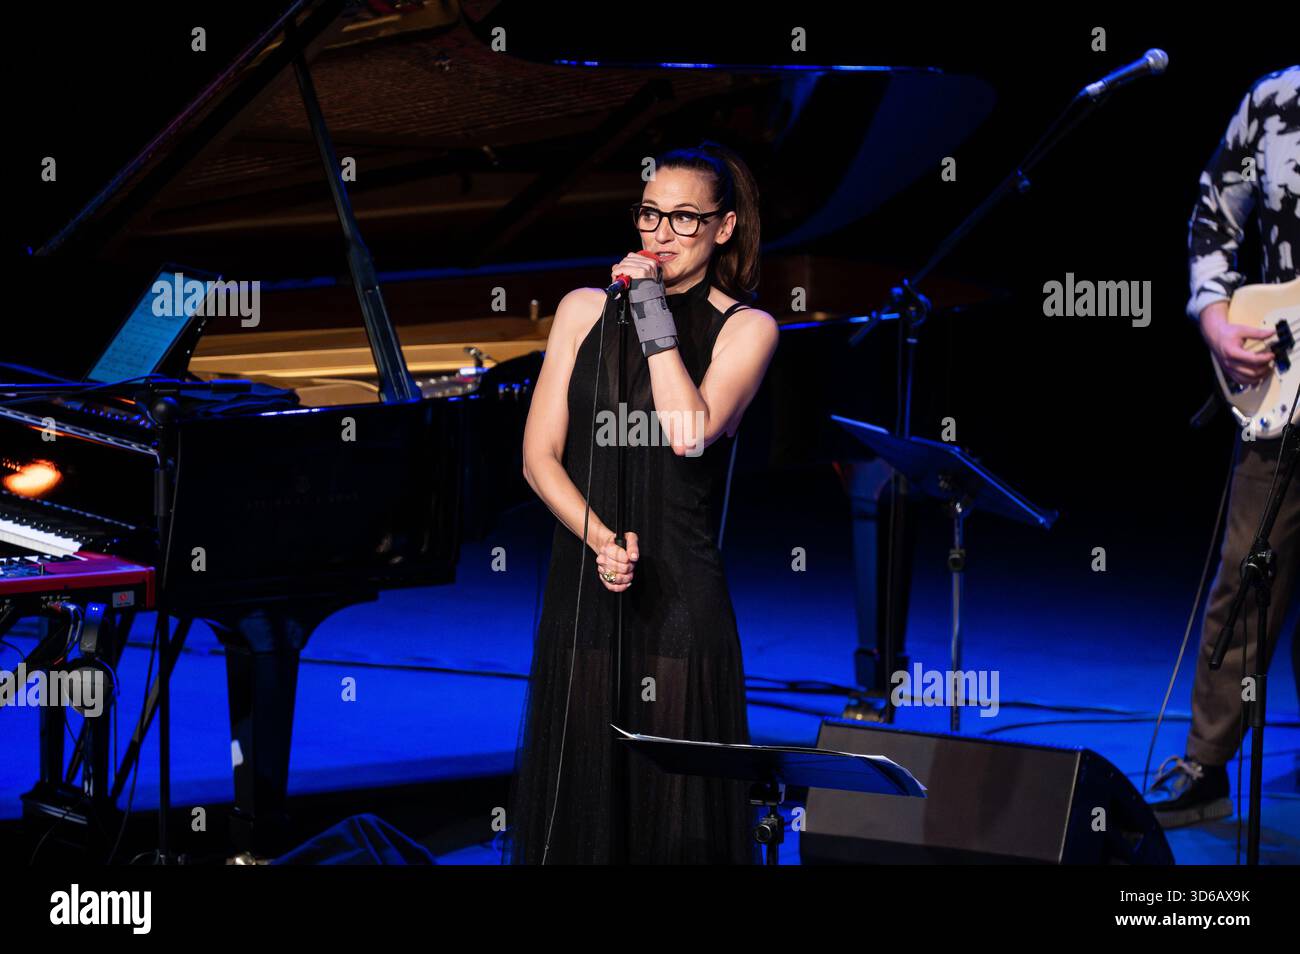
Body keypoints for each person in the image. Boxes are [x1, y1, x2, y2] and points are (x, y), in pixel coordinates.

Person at [504, 141, 780, 863]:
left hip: (679, 594)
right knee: (586, 795)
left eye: (684, 218)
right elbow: (538, 459)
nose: (660, 233)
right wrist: (599, 540)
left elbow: (688, 432)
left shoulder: (747, 328)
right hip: (589, 579)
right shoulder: (581, 310)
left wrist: (654, 310)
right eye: (650, 213)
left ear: (724, 228)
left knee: (675, 811)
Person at [1147, 65, 1300, 828]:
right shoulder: (1277, 99)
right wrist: (1213, 315)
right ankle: (1205, 768)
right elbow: (1213, 217)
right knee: (1247, 573)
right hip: (1288, 387)